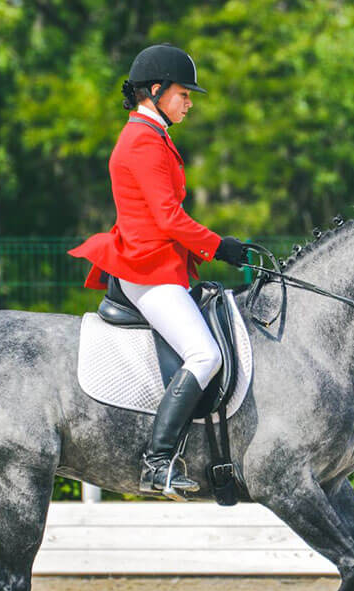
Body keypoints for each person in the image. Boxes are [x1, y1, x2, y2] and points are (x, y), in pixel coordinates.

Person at [69, 43, 247, 500]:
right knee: (205, 356)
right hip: (148, 270)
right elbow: (168, 218)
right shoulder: (143, 140)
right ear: (155, 90)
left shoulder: (152, 135)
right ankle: (157, 462)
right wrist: (219, 246)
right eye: (183, 93)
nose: (189, 101)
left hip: (162, 265)